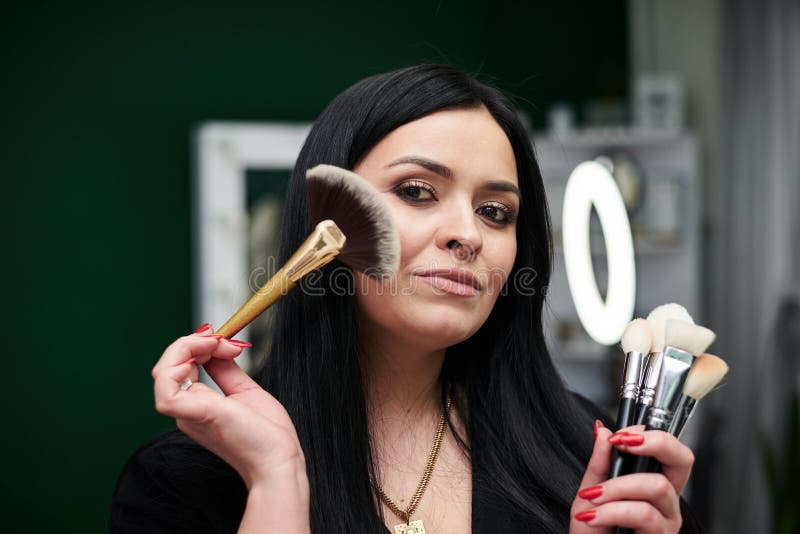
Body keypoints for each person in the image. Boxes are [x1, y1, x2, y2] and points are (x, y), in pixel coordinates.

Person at [110, 64, 700, 533]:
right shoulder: (181, 484)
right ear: (327, 212)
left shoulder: (589, 455)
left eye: (496, 212)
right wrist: (276, 482)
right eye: (417, 191)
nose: (467, 235)